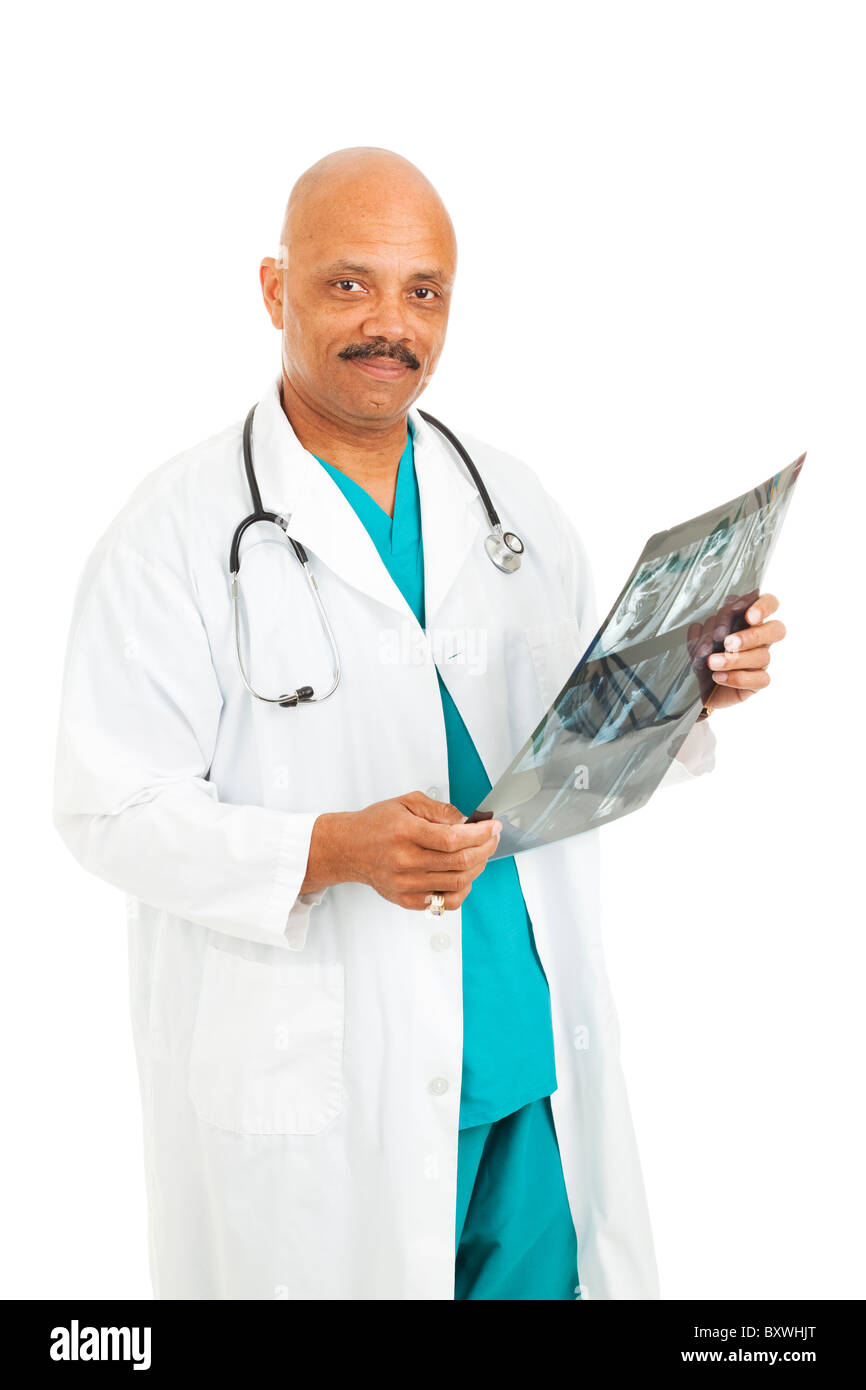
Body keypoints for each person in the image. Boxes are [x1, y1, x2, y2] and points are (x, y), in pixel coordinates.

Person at [52, 146, 787, 1300]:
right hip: (324, 1076)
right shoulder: (172, 534)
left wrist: (691, 684)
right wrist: (329, 849)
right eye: (349, 283)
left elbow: (565, 742)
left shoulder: (510, 504)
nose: (389, 323)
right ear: (272, 288)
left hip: (516, 1066)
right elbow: (108, 810)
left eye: (422, 290)